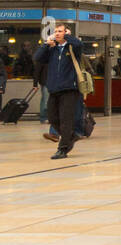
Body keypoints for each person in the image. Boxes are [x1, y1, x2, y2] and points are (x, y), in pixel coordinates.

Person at [32, 23, 84, 160]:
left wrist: (67, 36)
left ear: (66, 32)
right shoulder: (52, 49)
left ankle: (63, 149)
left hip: (69, 89)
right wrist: (46, 44)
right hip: (54, 89)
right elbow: (37, 58)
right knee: (53, 117)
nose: (57, 33)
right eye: (55, 31)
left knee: (66, 119)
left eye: (60, 31)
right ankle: (71, 136)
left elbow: (78, 43)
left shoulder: (73, 47)